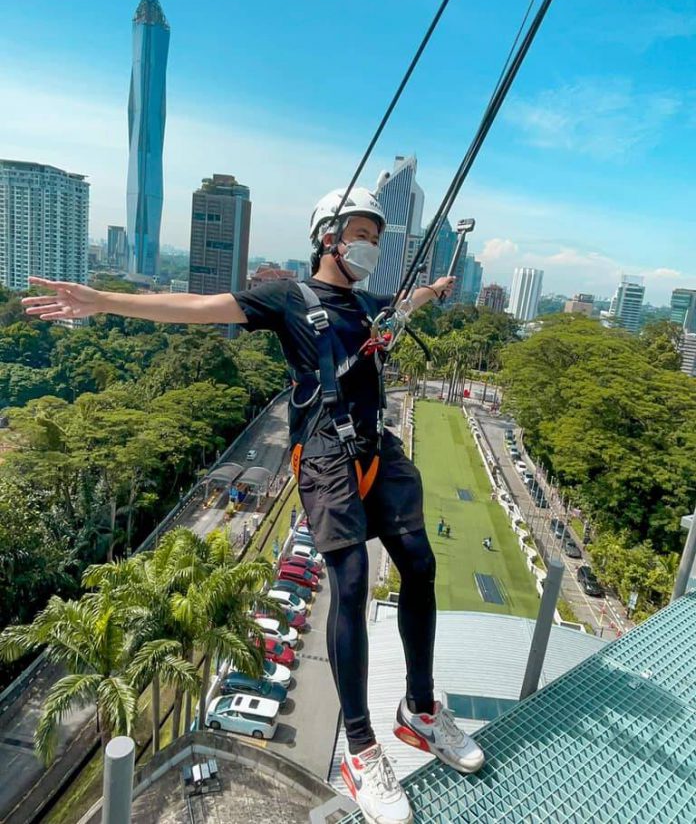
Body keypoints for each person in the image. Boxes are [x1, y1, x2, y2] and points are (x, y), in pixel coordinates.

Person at [22, 186, 484, 824]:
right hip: (326, 456)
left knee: (421, 566)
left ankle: (422, 710)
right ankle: (359, 745)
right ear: (327, 236)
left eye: (377, 239)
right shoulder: (289, 298)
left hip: (380, 448)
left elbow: (402, 308)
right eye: (360, 234)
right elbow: (197, 305)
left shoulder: (372, 303)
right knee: (349, 581)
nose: (369, 248)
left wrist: (430, 292)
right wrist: (103, 302)